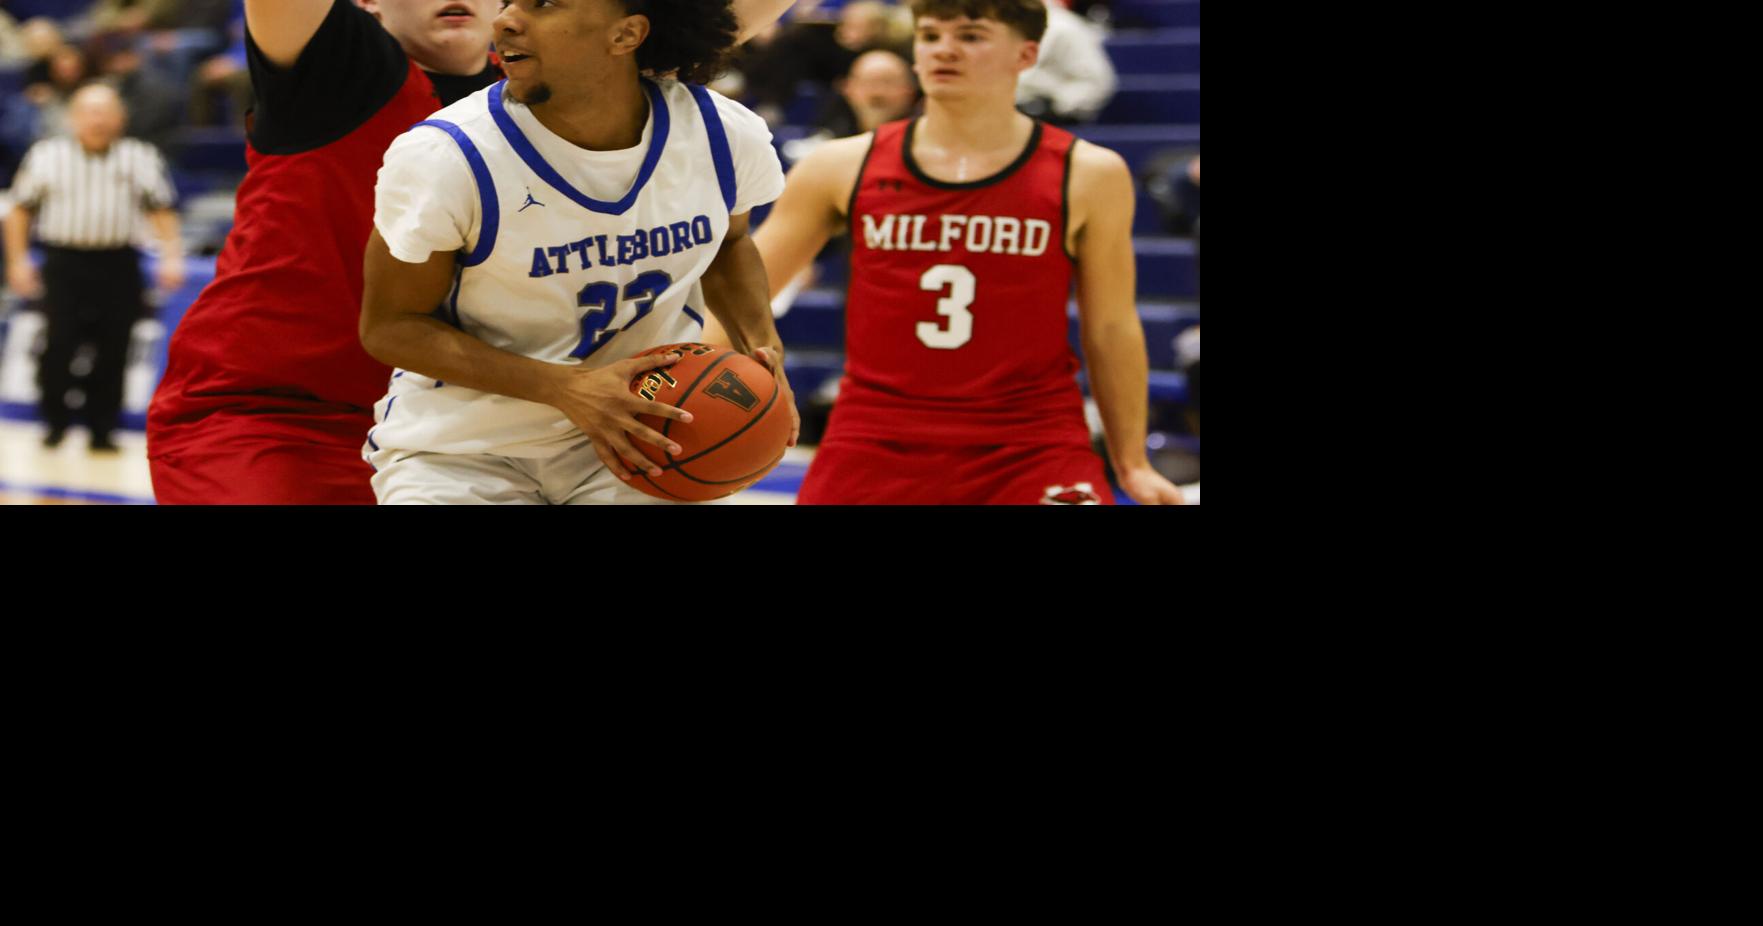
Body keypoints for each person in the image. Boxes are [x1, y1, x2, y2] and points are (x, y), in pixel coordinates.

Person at [147, 0, 795, 505]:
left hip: (482, 413)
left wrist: (759, 344)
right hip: (280, 413)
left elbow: (691, 20)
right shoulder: (337, 66)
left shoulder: (563, 82)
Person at [706, 0, 1182, 505]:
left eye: (971, 36)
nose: (944, 50)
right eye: (931, 36)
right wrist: (681, 387)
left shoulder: (1088, 173)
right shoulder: (839, 166)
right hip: (873, 439)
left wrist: (1132, 463)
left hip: (1031, 441)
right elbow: (742, 295)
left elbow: (1110, 327)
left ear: (1026, 55)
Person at [357, 0, 795, 504]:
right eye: (508, 2)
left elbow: (729, 243)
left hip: (642, 436)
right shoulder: (446, 157)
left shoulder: (720, 134)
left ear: (627, 34)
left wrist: (761, 345)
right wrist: (568, 388)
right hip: (462, 451)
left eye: (544, 4)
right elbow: (391, 326)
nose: (505, 20)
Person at [4, 83, 184, 452]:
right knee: (59, 343)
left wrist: (171, 255)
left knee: (115, 346)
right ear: (73, 118)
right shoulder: (47, 155)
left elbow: (161, 210)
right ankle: (54, 422)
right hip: (64, 261)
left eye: (105, 111)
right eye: (89, 111)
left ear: (121, 118)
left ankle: (103, 430)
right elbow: (20, 211)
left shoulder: (140, 156)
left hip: (118, 261)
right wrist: (18, 260)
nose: (97, 119)